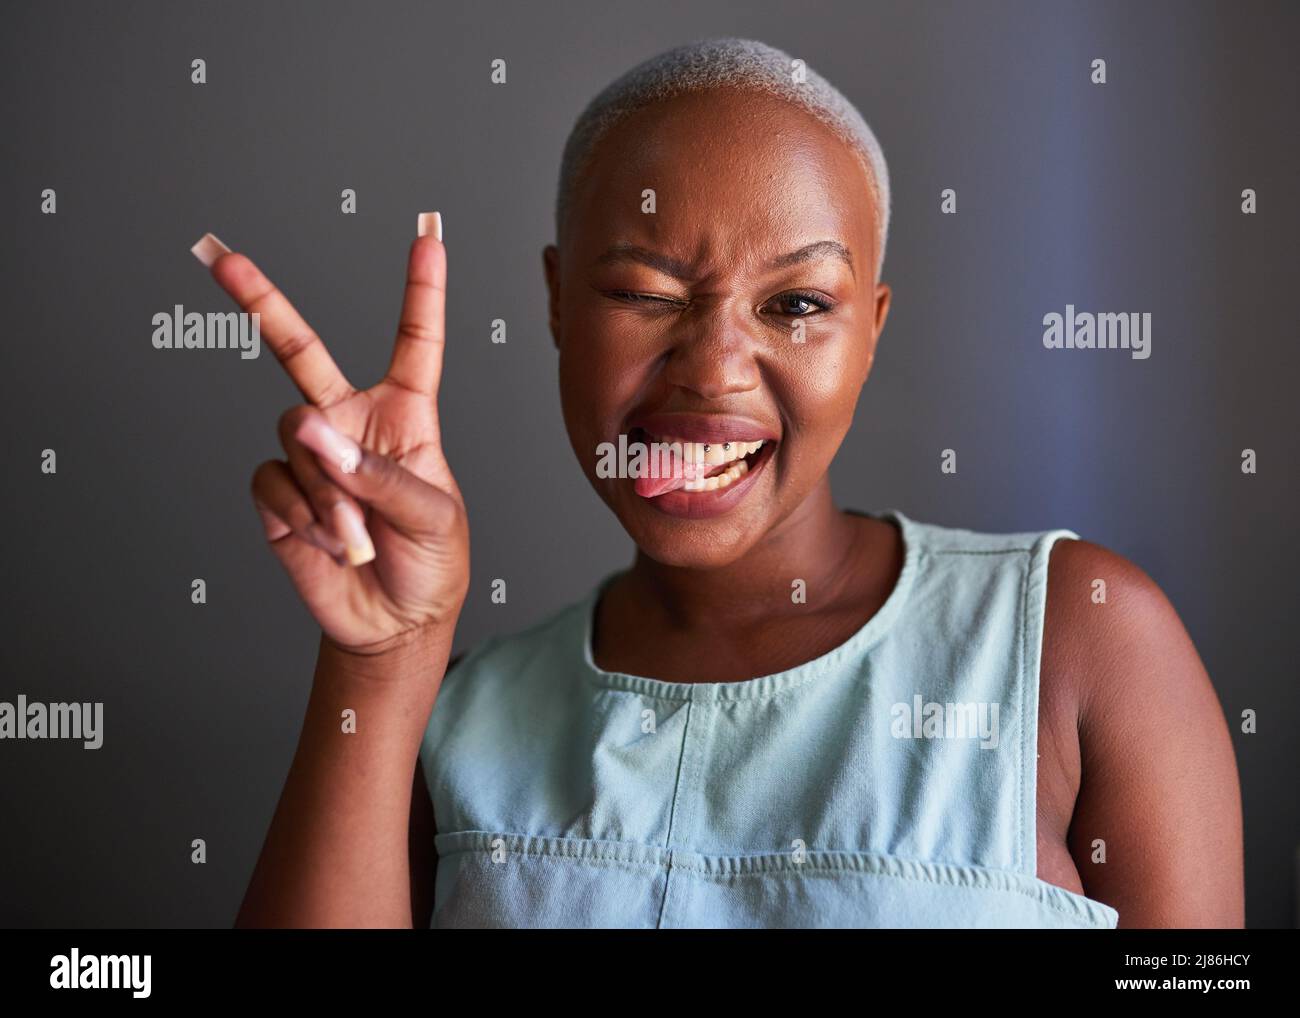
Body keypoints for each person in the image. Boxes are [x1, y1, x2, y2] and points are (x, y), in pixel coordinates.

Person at [202, 38, 1244, 928]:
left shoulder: (1079, 640)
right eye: (643, 292)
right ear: (559, 303)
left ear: (870, 329)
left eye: (795, 305)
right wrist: (380, 658)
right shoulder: (455, 717)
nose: (710, 367)